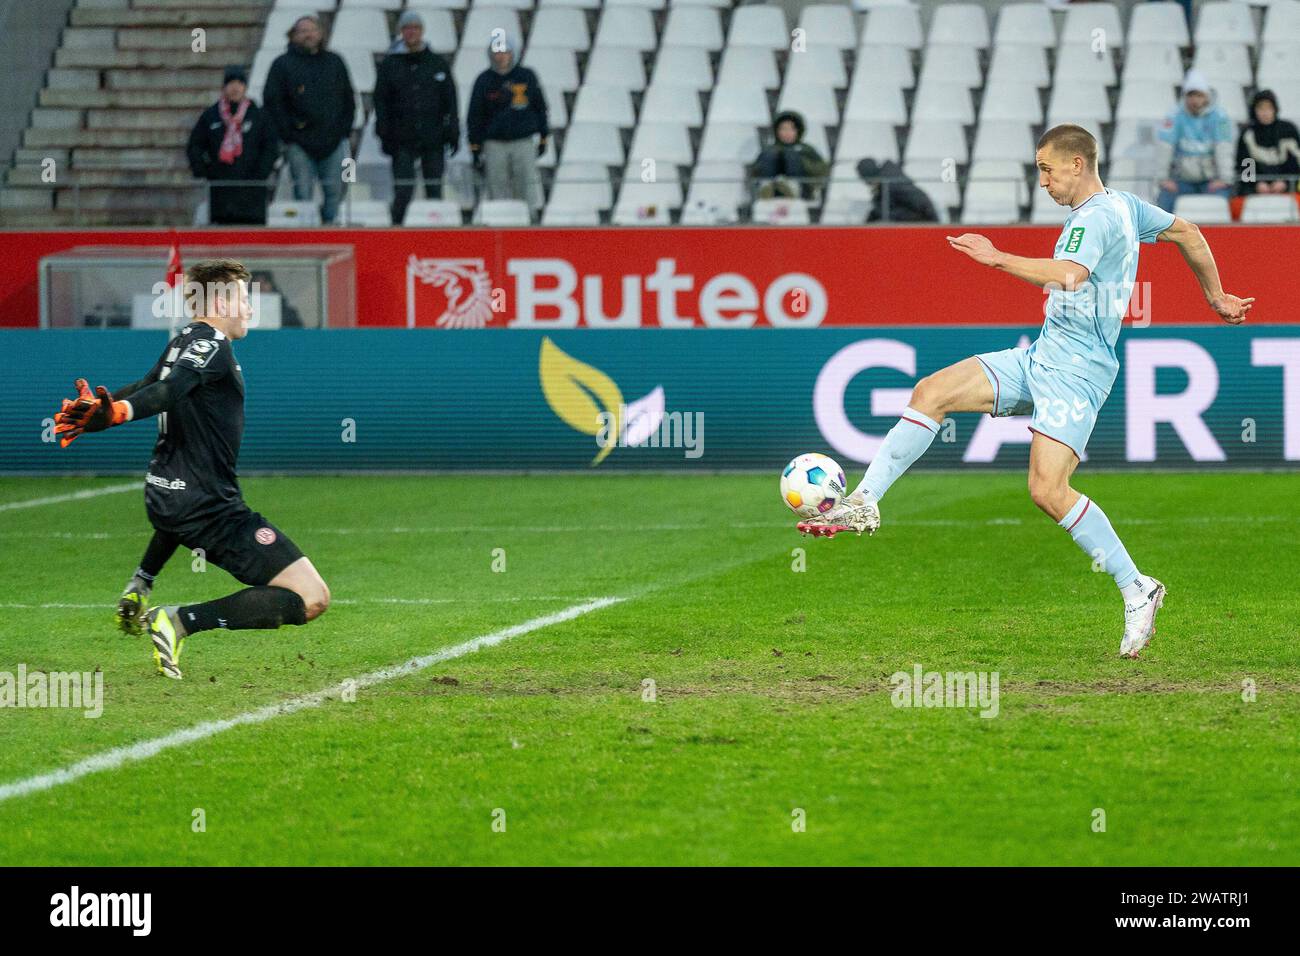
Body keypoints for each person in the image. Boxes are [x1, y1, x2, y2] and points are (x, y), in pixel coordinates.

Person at [798, 124, 1254, 660]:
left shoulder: (1099, 215)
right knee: (930, 392)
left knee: (1047, 490)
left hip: (1077, 373)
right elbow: (1190, 234)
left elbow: (1069, 276)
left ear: (1077, 164)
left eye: (1046, 168)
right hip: (1041, 356)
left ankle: (1138, 588)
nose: (1042, 181)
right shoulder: (1127, 206)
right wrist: (1216, 296)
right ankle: (865, 502)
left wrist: (996, 258)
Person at [52, 259, 330, 680]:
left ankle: (140, 585)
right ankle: (180, 621)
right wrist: (119, 411)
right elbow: (166, 391)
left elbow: (149, 386)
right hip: (208, 504)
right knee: (311, 597)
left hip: (166, 494)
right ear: (220, 301)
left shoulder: (184, 339)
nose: (250, 309)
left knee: (185, 513)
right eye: (244, 299)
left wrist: (105, 413)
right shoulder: (211, 344)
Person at [263, 14, 356, 224]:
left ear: (320, 33)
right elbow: (273, 103)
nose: (308, 34)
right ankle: (307, 233)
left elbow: (348, 99)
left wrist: (343, 130)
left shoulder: (335, 62)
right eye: (302, 30)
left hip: (333, 141)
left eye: (312, 29)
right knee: (302, 192)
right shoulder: (281, 65)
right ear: (293, 36)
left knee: (335, 190)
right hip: (299, 143)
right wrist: (289, 134)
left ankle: (331, 230)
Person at [375, 10, 458, 224]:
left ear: (422, 31)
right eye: (407, 28)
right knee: (403, 189)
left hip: (434, 137)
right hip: (401, 138)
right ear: (401, 32)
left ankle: (436, 231)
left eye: (415, 27)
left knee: (434, 188)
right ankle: (397, 231)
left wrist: (453, 131)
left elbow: (450, 100)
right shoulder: (390, 65)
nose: (411, 32)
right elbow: (381, 101)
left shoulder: (437, 63)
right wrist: (384, 133)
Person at [186, 66, 279, 225]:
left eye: (239, 83)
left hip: (252, 191)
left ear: (245, 87)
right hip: (221, 192)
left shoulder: (259, 115)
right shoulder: (211, 115)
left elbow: (271, 146)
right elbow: (195, 145)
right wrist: (206, 170)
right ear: (223, 87)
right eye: (230, 83)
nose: (235, 88)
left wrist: (261, 172)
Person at [466, 35, 548, 209]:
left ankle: (527, 223)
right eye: (497, 52)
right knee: (497, 188)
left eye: (505, 52)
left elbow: (540, 108)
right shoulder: (483, 80)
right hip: (494, 143)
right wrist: (475, 146)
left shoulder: (527, 76)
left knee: (526, 187)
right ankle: (499, 222)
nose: (501, 56)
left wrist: (543, 137)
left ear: (513, 53)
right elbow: (474, 115)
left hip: (523, 141)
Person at [1156, 69, 1235, 212]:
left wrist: (1224, 179)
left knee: (1223, 201)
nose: (1195, 100)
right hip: (1182, 180)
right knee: (1164, 199)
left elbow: (1223, 148)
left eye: (1199, 95)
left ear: (1206, 96)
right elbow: (1165, 148)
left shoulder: (1219, 117)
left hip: (1210, 180)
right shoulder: (1175, 115)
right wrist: (1163, 179)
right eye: (1191, 95)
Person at [1235, 89, 1300, 197]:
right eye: (1260, 108)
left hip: (1287, 185)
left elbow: (1295, 162)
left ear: (1275, 109)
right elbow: (1244, 162)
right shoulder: (1248, 134)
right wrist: (1257, 184)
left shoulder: (1288, 130)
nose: (1265, 112)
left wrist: (1284, 182)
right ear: (1254, 110)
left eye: (1269, 108)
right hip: (1256, 188)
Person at [754, 110, 828, 201]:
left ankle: (792, 187)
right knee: (770, 155)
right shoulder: (768, 151)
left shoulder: (806, 149)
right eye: (783, 129)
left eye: (791, 129)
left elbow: (822, 171)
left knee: (791, 155)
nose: (787, 132)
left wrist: (802, 162)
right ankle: (766, 187)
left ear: (798, 130)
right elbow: (755, 171)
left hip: (802, 191)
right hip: (772, 192)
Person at [856, 157, 938, 222]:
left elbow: (920, 204)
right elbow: (878, 211)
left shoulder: (891, 183)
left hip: (925, 222)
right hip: (921, 219)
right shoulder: (887, 182)